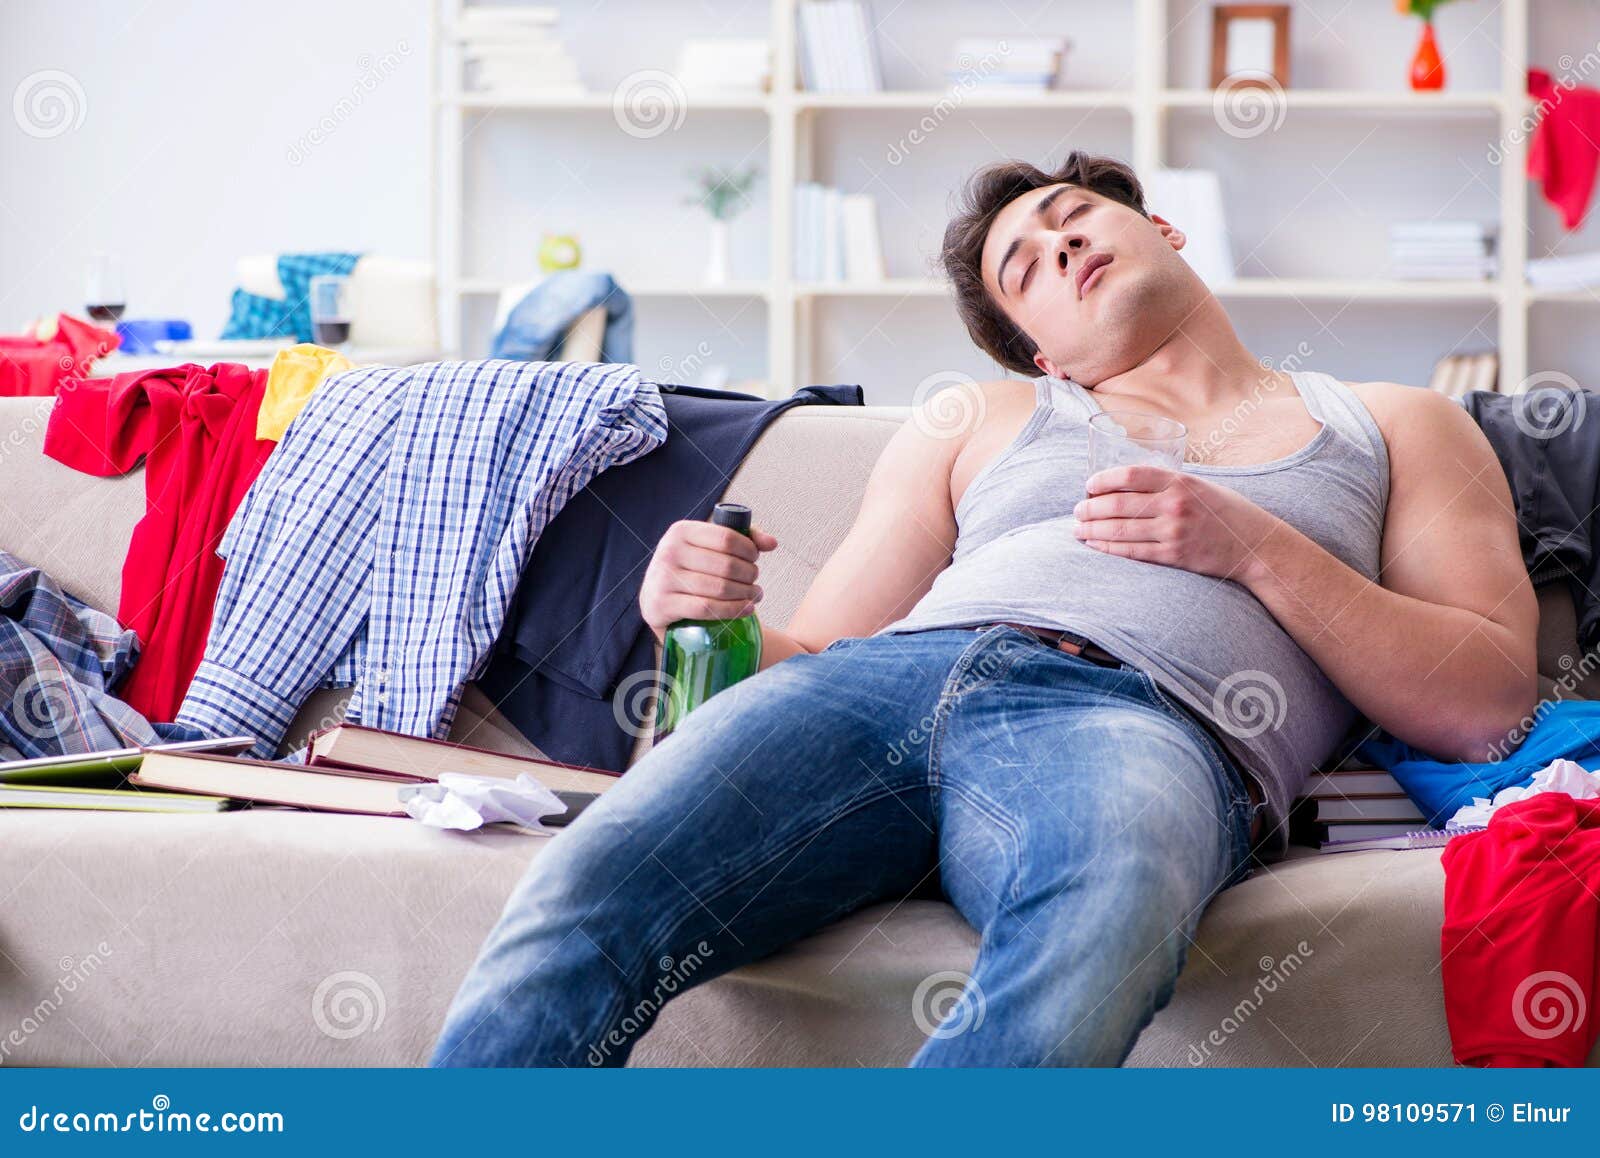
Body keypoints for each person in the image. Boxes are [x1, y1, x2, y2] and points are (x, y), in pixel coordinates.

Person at [431, 152, 1537, 1067]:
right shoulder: (979, 419)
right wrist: (702, 614)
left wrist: (1253, 548)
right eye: (1026, 265)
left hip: (1146, 722)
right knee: (586, 892)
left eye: (1073, 218)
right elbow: (810, 648)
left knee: (1098, 928)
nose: (1060, 246)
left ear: (1163, 230)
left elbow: (1485, 707)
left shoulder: (1393, 422)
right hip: (874, 689)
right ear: (1043, 352)